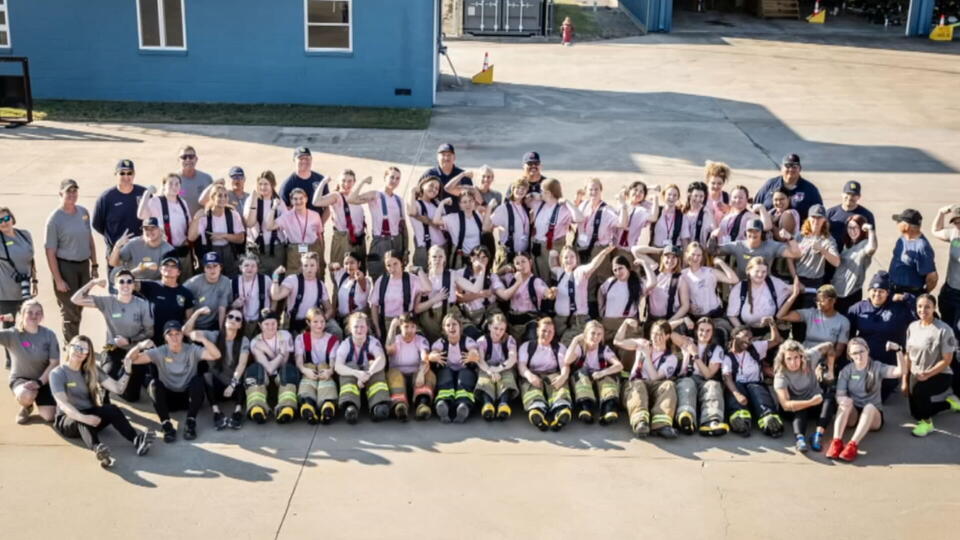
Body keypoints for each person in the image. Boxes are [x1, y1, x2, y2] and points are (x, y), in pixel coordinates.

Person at [50, 335, 153, 468]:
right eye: (77, 347)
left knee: (112, 409)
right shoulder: (57, 373)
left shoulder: (92, 370)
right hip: (68, 420)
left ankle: (136, 440)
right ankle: (99, 449)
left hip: (90, 414)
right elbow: (63, 404)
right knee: (82, 420)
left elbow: (118, 389)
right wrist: (85, 418)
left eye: (84, 350)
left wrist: (127, 372)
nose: (79, 352)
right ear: (69, 348)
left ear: (88, 354)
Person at [127, 320, 220, 442]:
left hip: (189, 398)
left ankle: (190, 422)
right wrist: (139, 346)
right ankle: (166, 425)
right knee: (154, 384)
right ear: (165, 337)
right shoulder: (159, 351)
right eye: (170, 334)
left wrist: (203, 340)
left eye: (177, 333)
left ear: (182, 335)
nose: (174, 337)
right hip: (168, 400)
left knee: (198, 380)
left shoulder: (192, 349)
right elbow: (131, 360)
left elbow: (216, 355)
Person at [70, 271, 153, 402]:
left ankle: (121, 379)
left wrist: (129, 340)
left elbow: (149, 332)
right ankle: (104, 391)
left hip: (134, 351)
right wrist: (93, 283)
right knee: (108, 372)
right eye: (121, 281)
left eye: (129, 281)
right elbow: (75, 299)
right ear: (115, 286)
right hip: (112, 349)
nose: (125, 284)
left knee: (132, 397)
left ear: (133, 285)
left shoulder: (142, 304)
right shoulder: (108, 302)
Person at [824, 337, 906, 462]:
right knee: (845, 402)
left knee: (869, 407)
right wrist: (842, 401)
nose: (859, 355)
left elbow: (901, 371)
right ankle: (836, 442)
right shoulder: (846, 371)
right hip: (854, 415)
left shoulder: (877, 367)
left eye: (862, 351)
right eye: (855, 353)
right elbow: (840, 394)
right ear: (850, 355)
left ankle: (852, 445)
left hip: (873, 415)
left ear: (868, 350)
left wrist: (899, 350)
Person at [847, 271, 917, 401]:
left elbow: (919, 309)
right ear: (868, 291)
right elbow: (848, 336)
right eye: (874, 290)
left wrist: (905, 297)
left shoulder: (898, 308)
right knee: (860, 393)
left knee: (880, 396)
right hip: (865, 360)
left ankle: (890, 384)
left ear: (888, 293)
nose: (877, 294)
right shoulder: (857, 309)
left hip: (888, 363)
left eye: (881, 291)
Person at [44, 179, 97, 342]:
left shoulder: (83, 212)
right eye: (68, 191)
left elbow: (89, 239)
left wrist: (94, 264)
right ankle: (71, 347)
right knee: (69, 311)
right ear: (60, 194)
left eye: (74, 191)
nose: (72, 195)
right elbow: (50, 251)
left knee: (79, 306)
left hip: (83, 266)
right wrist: (58, 280)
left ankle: (74, 342)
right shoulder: (54, 219)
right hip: (66, 268)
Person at [904, 294, 960, 437]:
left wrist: (927, 374)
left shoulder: (944, 330)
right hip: (916, 374)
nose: (923, 310)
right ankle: (949, 403)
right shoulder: (912, 327)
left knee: (920, 392)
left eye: (927, 307)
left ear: (934, 308)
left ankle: (928, 424)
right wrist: (905, 380)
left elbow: (947, 360)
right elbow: (908, 355)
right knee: (916, 413)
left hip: (940, 374)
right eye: (920, 306)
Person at [616, 319, 681, 439]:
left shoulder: (671, 358)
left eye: (659, 334)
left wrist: (646, 355)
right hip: (635, 385)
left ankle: (661, 425)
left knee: (668, 385)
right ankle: (640, 422)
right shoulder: (642, 344)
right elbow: (617, 341)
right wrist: (625, 323)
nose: (655, 337)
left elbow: (655, 377)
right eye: (653, 334)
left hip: (654, 386)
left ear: (667, 336)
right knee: (639, 384)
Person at [186, 306, 249, 430]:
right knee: (206, 375)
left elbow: (242, 364)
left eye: (237, 319)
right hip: (218, 387)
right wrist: (197, 313)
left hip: (235, 387)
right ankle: (216, 412)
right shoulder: (214, 335)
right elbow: (188, 332)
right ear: (225, 320)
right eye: (230, 316)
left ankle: (238, 411)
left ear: (240, 326)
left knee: (244, 374)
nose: (233, 320)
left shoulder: (243, 340)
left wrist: (233, 384)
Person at [721, 319, 784, 437]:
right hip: (738, 389)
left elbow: (776, 340)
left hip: (755, 385)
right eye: (745, 337)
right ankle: (739, 419)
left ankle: (769, 419)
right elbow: (727, 378)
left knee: (757, 389)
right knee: (736, 388)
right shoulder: (727, 357)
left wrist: (772, 324)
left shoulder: (755, 348)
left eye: (750, 338)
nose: (749, 341)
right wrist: (737, 394)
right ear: (735, 336)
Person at [1, 300, 59, 424]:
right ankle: (26, 406)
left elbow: (54, 363)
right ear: (22, 314)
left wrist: (39, 382)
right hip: (21, 379)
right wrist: (1, 318)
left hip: (43, 380)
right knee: (26, 395)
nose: (34, 316)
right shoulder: (12, 334)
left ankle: (39, 398)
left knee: (49, 417)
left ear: (42, 316)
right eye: (30, 312)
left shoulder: (49, 335)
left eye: (38, 313)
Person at [670, 317, 729, 436]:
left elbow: (708, 374)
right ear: (696, 330)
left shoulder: (717, 349)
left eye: (708, 331)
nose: (704, 333)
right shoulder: (688, 342)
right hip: (687, 377)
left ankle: (711, 421)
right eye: (701, 330)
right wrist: (683, 320)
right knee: (687, 385)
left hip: (704, 381)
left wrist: (695, 355)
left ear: (712, 333)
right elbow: (665, 331)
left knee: (713, 386)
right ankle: (686, 418)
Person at [550, 245, 615, 345]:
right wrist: (552, 253)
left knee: (565, 344)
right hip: (560, 320)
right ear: (561, 260)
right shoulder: (560, 273)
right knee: (556, 343)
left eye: (572, 256)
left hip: (577, 320)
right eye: (566, 257)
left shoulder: (581, 271)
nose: (569, 260)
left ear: (577, 258)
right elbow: (552, 266)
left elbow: (593, 265)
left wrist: (604, 252)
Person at [349, 168, 407, 281]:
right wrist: (363, 182)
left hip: (397, 242)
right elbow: (352, 199)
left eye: (397, 178)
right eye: (391, 177)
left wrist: (405, 250)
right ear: (385, 177)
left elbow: (403, 227)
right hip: (380, 242)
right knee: (378, 277)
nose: (394, 180)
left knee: (395, 278)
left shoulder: (399, 200)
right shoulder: (376, 195)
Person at [772, 340, 830, 453]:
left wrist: (830, 368)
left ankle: (817, 435)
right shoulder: (780, 375)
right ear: (783, 359)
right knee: (800, 407)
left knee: (828, 398)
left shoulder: (809, 358)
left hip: (815, 403)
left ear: (802, 357)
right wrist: (811, 402)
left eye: (796, 357)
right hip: (794, 409)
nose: (793, 362)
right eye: (789, 358)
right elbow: (785, 405)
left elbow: (829, 346)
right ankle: (800, 439)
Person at [92, 159, 146, 278]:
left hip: (139, 251)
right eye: (122, 173)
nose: (126, 176)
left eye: (129, 173)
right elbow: (97, 224)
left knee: (140, 289)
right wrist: (115, 238)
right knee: (117, 289)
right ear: (115, 174)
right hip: (117, 253)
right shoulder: (106, 198)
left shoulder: (143, 193)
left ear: (134, 174)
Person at [244, 310, 300, 424]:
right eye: (266, 324)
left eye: (273, 323)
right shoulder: (255, 342)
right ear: (260, 325)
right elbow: (268, 369)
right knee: (255, 369)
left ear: (278, 323)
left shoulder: (285, 335)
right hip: (264, 380)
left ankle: (286, 407)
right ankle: (257, 408)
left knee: (288, 369)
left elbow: (283, 363)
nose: (270, 327)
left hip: (282, 379)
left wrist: (268, 352)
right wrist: (280, 353)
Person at [334, 312, 390, 424]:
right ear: (350, 328)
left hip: (369, 379)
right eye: (355, 327)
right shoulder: (345, 345)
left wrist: (368, 373)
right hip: (355, 382)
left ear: (367, 328)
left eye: (362, 326)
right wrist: (357, 374)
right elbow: (338, 366)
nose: (359, 330)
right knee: (349, 366)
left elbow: (381, 359)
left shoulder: (373, 342)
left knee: (374, 364)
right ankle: (350, 406)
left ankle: (378, 405)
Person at [518, 317, 572, 432]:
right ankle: (537, 411)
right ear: (537, 330)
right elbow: (521, 365)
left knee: (560, 387)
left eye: (550, 332)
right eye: (544, 331)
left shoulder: (559, 347)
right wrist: (529, 375)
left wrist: (563, 377)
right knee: (531, 388)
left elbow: (565, 366)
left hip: (552, 374)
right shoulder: (527, 346)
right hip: (533, 374)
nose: (547, 334)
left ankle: (561, 410)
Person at [599, 255, 655, 364]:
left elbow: (652, 282)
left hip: (627, 324)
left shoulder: (638, 283)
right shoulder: (611, 281)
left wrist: (644, 263)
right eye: (615, 270)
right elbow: (601, 291)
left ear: (628, 268)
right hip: (608, 324)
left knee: (627, 354)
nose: (618, 272)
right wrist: (601, 308)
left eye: (620, 268)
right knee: (607, 353)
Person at [417, 246, 480, 342]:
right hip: (430, 318)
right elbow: (417, 309)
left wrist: (482, 270)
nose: (437, 259)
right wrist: (434, 299)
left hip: (450, 313)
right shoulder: (423, 278)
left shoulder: (451, 275)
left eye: (440, 256)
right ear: (429, 259)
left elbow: (475, 288)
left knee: (473, 334)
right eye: (434, 256)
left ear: (445, 259)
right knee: (436, 345)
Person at [565, 320, 622, 425]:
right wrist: (575, 340)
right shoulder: (580, 348)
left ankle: (608, 410)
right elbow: (567, 360)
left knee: (609, 379)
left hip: (599, 377)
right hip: (584, 379)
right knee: (581, 374)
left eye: (599, 334)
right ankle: (586, 409)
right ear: (586, 334)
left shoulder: (604, 349)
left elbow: (619, 366)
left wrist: (602, 373)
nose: (596, 337)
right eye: (593, 333)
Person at [573, 179, 620, 303]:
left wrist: (623, 204)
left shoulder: (607, 210)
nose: (593, 192)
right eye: (590, 189)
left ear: (601, 191)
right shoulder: (584, 205)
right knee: (586, 279)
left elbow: (621, 223)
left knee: (602, 279)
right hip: (583, 248)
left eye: (596, 189)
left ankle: (604, 307)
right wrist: (576, 200)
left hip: (599, 248)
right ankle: (589, 307)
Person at [271, 252, 340, 336]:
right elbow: (275, 296)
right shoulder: (292, 280)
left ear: (317, 267)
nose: (309, 269)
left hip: (314, 323)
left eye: (312, 265)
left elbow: (329, 309)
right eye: (305, 265)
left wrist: (322, 320)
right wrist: (275, 276)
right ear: (301, 267)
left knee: (336, 331)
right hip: (295, 323)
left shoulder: (320, 285)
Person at [0, 207, 38, 359]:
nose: (4, 223)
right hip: (5, 292)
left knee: (28, 323)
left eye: (6, 218)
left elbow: (31, 260)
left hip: (25, 289)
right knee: (9, 327)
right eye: (0, 221)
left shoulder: (25, 235)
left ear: (12, 218)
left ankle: (26, 354)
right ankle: (11, 359)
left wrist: (34, 280)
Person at [313, 169, 368, 272]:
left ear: (354, 182)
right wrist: (324, 182)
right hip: (343, 240)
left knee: (360, 271)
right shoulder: (336, 196)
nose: (346, 184)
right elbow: (316, 202)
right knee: (340, 272)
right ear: (339, 181)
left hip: (359, 240)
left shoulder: (355, 196)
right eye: (343, 180)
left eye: (350, 181)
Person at [138, 173, 193, 275]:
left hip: (183, 252)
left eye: (177, 184)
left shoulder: (183, 203)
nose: (174, 187)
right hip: (164, 252)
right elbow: (141, 215)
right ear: (164, 186)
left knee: (185, 282)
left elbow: (189, 225)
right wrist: (147, 193)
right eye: (170, 183)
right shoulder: (156, 202)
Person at [710, 218, 799, 281]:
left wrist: (790, 238)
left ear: (762, 233)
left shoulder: (771, 246)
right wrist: (713, 237)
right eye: (750, 231)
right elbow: (712, 251)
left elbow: (795, 254)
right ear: (745, 233)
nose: (753, 234)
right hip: (743, 284)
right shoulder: (738, 245)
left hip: (764, 285)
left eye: (756, 231)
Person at [680, 242, 738, 339]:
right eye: (693, 254)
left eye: (699, 255)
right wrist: (688, 305)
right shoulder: (682, 275)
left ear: (702, 257)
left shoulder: (710, 272)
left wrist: (721, 263)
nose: (695, 258)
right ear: (687, 255)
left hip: (715, 315)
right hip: (696, 318)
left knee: (723, 335)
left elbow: (734, 279)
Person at [428, 315, 480, 423]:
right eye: (448, 325)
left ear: (460, 327)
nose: (451, 327)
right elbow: (433, 353)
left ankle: (463, 406)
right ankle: (443, 405)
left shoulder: (467, 340)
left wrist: (473, 354)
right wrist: (434, 356)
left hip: (464, 371)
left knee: (464, 377)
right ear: (444, 329)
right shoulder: (441, 342)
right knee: (445, 376)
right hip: (447, 371)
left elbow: (474, 351)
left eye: (454, 324)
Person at [383, 315, 435, 421]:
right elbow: (389, 350)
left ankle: (422, 404)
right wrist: (393, 326)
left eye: (413, 327)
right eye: (406, 327)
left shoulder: (421, 340)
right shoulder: (396, 340)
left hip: (415, 375)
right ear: (400, 327)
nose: (410, 330)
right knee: (394, 375)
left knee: (428, 374)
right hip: (398, 374)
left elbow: (424, 357)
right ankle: (400, 406)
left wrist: (421, 373)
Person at [529, 179, 583, 279]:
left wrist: (567, 202)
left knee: (553, 277)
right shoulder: (539, 204)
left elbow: (579, 218)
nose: (540, 193)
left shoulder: (563, 209)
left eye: (542, 190)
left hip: (553, 247)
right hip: (537, 247)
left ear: (548, 193)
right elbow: (525, 200)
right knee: (538, 276)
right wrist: (533, 195)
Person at [293, 308, 339, 425]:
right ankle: (308, 404)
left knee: (326, 378)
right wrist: (304, 370)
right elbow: (299, 359)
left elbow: (333, 360)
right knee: (308, 375)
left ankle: (327, 405)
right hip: (310, 370)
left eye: (322, 321)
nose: (319, 325)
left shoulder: (332, 340)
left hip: (325, 369)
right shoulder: (301, 339)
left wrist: (330, 371)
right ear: (308, 323)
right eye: (315, 322)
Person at [188, 184, 245, 276]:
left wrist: (224, 236)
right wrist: (196, 219)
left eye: (225, 195)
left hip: (229, 254)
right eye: (219, 195)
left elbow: (241, 238)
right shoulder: (204, 216)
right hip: (210, 254)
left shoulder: (233, 215)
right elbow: (191, 238)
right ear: (212, 198)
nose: (223, 198)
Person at [726, 257, 792, 335]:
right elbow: (731, 315)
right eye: (757, 271)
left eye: (764, 272)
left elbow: (792, 290)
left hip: (771, 330)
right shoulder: (740, 288)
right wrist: (743, 331)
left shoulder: (773, 282)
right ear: (748, 271)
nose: (760, 275)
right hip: (747, 331)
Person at [496, 252, 550, 343]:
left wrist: (550, 293)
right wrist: (503, 269)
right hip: (513, 319)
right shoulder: (510, 278)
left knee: (531, 340)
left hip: (529, 319)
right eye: (517, 263)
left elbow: (545, 291)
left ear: (530, 262)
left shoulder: (536, 281)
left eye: (523, 261)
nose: (521, 265)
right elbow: (493, 278)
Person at [270, 185, 324, 277]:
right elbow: (270, 226)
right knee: (293, 277)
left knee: (316, 276)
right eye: (295, 199)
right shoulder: (286, 216)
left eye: (301, 198)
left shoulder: (315, 215)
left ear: (306, 199)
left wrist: (322, 254)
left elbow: (319, 235)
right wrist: (274, 207)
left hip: (313, 248)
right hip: (295, 251)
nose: (298, 201)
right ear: (291, 201)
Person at [434, 186, 493, 268]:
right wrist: (442, 203)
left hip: (478, 258)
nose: (468, 204)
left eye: (470, 201)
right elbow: (436, 221)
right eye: (464, 202)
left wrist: (489, 208)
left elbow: (487, 229)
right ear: (460, 205)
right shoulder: (453, 218)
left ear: (474, 203)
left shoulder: (478, 216)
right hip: (461, 258)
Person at [369, 250, 424, 339]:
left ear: (402, 263)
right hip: (386, 322)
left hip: (406, 322)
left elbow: (427, 288)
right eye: (388, 265)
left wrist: (419, 270)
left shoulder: (412, 279)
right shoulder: (382, 281)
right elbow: (374, 305)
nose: (392, 269)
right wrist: (377, 328)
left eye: (395, 264)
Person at [139, 256, 196, 341]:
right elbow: (123, 281)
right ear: (160, 269)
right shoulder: (150, 286)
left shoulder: (186, 293)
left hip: (175, 339)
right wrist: (141, 268)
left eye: (173, 266)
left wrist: (189, 341)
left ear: (179, 272)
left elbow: (189, 321)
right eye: (166, 265)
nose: (169, 268)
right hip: (152, 339)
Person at [474, 313, 519, 421]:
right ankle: (487, 404)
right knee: (485, 380)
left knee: (507, 378)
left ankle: (504, 404)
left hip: (504, 366)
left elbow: (512, 358)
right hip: (486, 367)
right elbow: (480, 360)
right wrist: (490, 371)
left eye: (502, 329)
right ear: (489, 326)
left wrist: (499, 368)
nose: (498, 332)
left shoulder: (510, 340)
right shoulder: (482, 341)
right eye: (495, 328)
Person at [754, 154, 824, 222]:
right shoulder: (770, 185)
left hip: (798, 232)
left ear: (800, 169)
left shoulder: (810, 190)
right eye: (787, 166)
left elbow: (819, 215)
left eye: (794, 166)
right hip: (767, 230)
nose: (791, 169)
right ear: (781, 168)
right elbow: (755, 207)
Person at [793, 204, 840, 305]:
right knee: (793, 312)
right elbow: (789, 258)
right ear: (808, 219)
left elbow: (836, 262)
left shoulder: (828, 240)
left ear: (824, 220)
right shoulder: (799, 236)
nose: (816, 220)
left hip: (813, 282)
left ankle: (818, 322)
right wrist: (795, 278)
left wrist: (822, 250)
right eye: (813, 217)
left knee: (811, 315)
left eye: (819, 217)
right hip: (797, 279)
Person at [243, 171, 285, 276]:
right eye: (260, 184)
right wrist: (253, 199)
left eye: (266, 184)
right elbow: (249, 223)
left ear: (272, 185)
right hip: (256, 248)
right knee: (257, 279)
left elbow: (284, 224)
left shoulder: (279, 202)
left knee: (276, 278)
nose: (263, 187)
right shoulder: (251, 200)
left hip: (275, 248)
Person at [889, 208, 938, 295]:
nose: (897, 223)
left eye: (899, 222)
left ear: (907, 226)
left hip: (908, 294)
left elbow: (932, 277)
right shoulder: (902, 238)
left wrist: (924, 293)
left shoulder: (922, 247)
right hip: (893, 289)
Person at [108, 218, 174, 282]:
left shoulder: (168, 249)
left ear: (160, 230)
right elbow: (113, 263)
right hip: (130, 282)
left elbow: (171, 276)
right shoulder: (133, 243)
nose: (149, 232)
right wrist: (117, 246)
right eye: (146, 229)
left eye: (153, 228)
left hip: (154, 284)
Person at [457, 246, 502, 338]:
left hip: (488, 312)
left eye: (484, 257)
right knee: (473, 334)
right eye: (477, 256)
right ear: (471, 258)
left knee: (497, 329)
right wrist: (479, 295)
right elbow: (458, 298)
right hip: (468, 313)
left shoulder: (492, 277)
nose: (480, 260)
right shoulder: (461, 274)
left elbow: (503, 294)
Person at [931, 204, 960, 340]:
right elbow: (935, 230)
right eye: (955, 222)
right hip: (949, 290)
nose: (958, 225)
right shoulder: (954, 233)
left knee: (958, 332)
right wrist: (940, 212)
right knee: (946, 328)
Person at [184, 252, 232, 331]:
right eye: (208, 267)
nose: (212, 270)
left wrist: (221, 333)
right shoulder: (193, 283)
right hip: (195, 325)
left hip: (213, 324)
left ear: (220, 267)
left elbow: (222, 307)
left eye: (215, 266)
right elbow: (182, 301)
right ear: (204, 269)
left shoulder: (225, 282)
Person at [490, 179, 530, 272]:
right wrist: (500, 228)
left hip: (522, 255)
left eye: (523, 189)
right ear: (512, 189)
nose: (520, 190)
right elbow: (489, 225)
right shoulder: (503, 208)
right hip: (508, 255)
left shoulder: (524, 208)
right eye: (518, 188)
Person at [408, 176, 447, 270]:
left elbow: (443, 225)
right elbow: (412, 212)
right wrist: (412, 191)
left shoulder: (438, 204)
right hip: (424, 248)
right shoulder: (416, 203)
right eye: (431, 185)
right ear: (422, 185)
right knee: (422, 279)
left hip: (441, 247)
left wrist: (427, 220)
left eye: (437, 188)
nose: (434, 189)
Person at [230, 254, 272, 337]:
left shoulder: (265, 280)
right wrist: (234, 305)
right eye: (246, 265)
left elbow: (274, 297)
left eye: (253, 266)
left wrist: (271, 313)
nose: (250, 268)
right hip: (241, 322)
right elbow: (228, 306)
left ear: (257, 268)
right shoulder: (232, 283)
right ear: (240, 268)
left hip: (260, 321)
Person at [825, 180, 875, 250]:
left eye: (854, 195)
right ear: (842, 194)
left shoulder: (866, 215)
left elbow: (871, 239)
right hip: (832, 255)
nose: (850, 197)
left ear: (859, 197)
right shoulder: (830, 212)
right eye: (847, 193)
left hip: (855, 257)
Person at [279, 147, 328, 216]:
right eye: (301, 158)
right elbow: (282, 210)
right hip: (296, 225)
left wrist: (321, 224)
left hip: (316, 225)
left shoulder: (320, 180)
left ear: (311, 159)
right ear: (294, 160)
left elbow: (328, 207)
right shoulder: (287, 184)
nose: (304, 161)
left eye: (307, 158)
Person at [613, 181, 655, 259]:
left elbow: (653, 217)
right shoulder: (621, 204)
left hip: (627, 249)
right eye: (635, 190)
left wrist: (654, 198)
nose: (638, 193)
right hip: (612, 246)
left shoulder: (642, 210)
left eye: (641, 192)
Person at [330, 252, 373, 325]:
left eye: (352, 263)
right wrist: (333, 265)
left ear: (359, 264)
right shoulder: (342, 276)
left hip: (356, 320)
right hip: (341, 318)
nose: (349, 266)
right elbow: (330, 267)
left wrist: (360, 278)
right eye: (346, 263)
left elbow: (363, 285)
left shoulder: (365, 280)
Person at [175, 145, 213, 216]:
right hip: (179, 223)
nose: (188, 160)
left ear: (196, 159)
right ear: (178, 160)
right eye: (184, 157)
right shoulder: (171, 180)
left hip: (202, 222)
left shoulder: (206, 179)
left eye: (191, 157)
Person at [683, 181, 716, 246]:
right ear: (690, 195)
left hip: (700, 251)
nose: (698, 199)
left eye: (701, 196)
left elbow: (714, 229)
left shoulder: (706, 212)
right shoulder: (683, 211)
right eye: (695, 196)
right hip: (684, 249)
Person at [704, 161, 731, 226]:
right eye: (713, 183)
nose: (716, 186)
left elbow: (735, 214)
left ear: (723, 183)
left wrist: (729, 209)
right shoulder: (702, 196)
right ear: (707, 182)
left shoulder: (726, 197)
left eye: (719, 183)